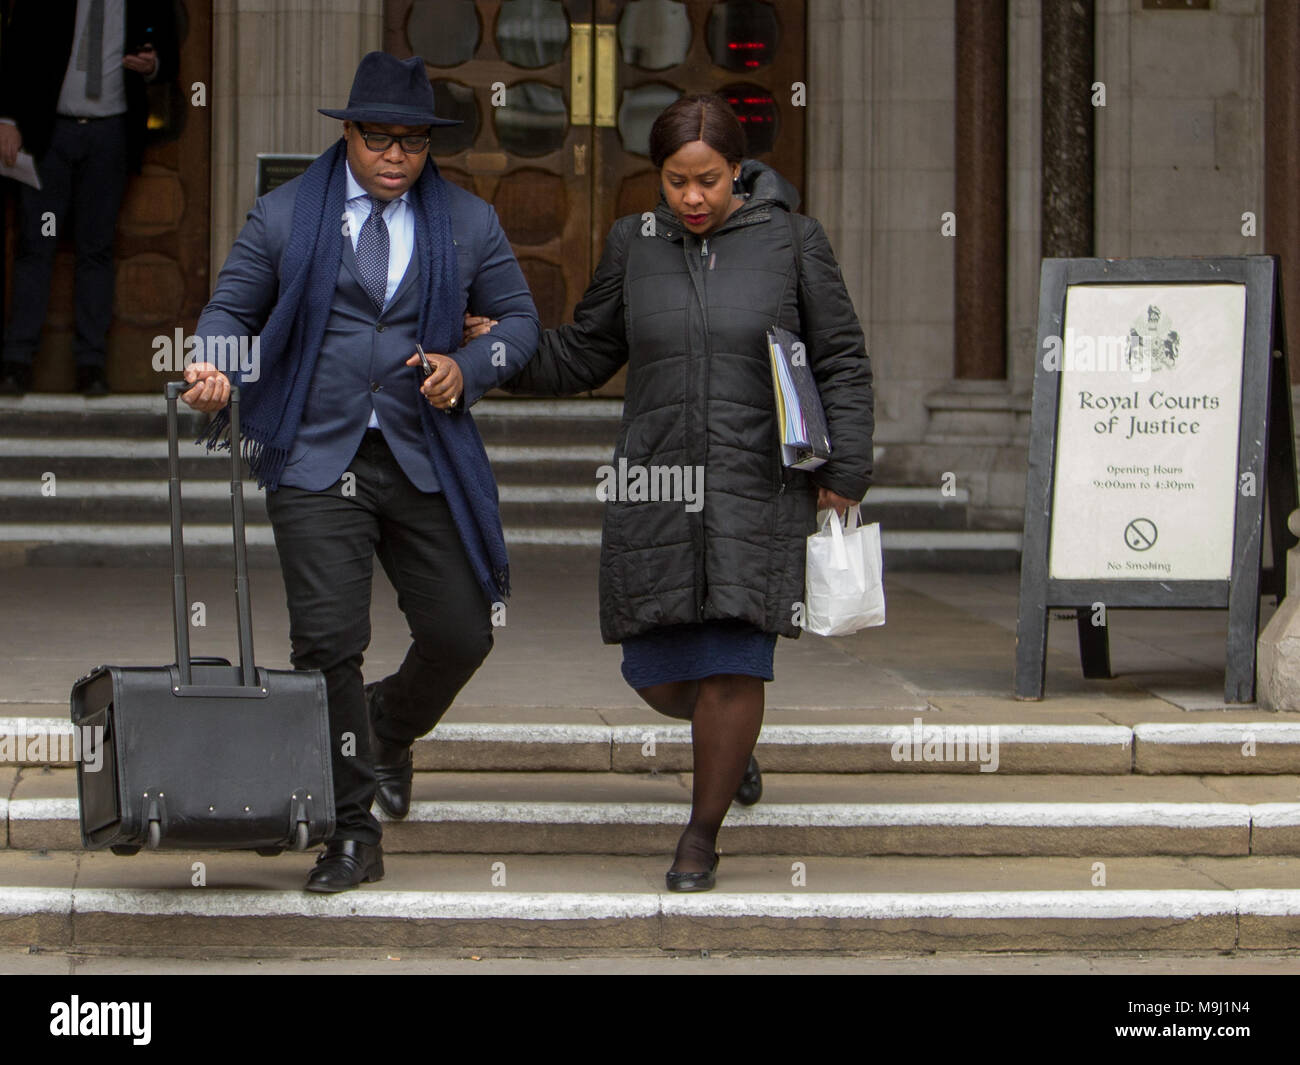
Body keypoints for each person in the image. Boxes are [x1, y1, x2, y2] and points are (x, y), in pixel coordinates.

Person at [488, 94, 873, 891]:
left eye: (708, 180)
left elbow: (840, 358)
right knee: (657, 673)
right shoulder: (636, 242)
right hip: (657, 482)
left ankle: (701, 834)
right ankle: (729, 745)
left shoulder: (794, 242)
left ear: (739, 171)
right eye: (675, 181)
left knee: (737, 660)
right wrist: (496, 356)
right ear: (656, 178)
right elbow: (588, 351)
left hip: (758, 483)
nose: (691, 198)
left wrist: (845, 471)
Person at [180, 51, 539, 892]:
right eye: (377, 138)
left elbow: (518, 321)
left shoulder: (466, 222)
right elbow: (233, 307)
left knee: (463, 629)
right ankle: (351, 831)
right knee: (329, 641)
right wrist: (218, 367)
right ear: (347, 134)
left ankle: (384, 725)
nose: (394, 156)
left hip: (423, 455)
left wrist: (470, 364)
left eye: (411, 143)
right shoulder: (282, 215)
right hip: (313, 453)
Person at [0, 0, 178, 395]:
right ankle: (16, 361)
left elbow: (168, 52)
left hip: (109, 137)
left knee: (96, 249)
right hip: (52, 137)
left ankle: (91, 365)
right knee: (36, 245)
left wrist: (154, 66)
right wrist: (7, 120)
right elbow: (17, 49)